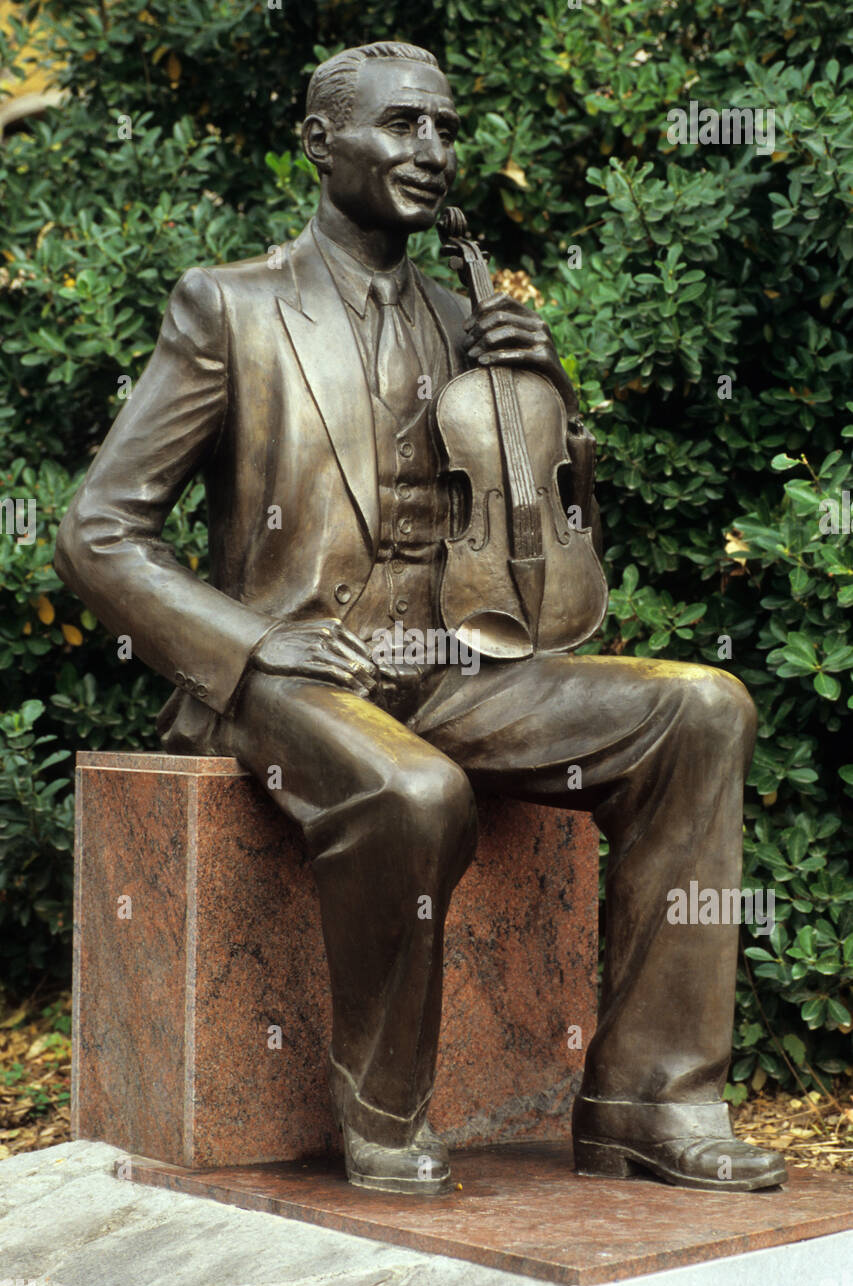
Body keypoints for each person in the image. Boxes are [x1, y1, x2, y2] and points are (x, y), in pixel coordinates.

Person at [54, 41, 786, 1196]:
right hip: (298, 679)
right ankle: (382, 1106)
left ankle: (648, 1099)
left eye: (444, 128)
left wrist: (553, 404)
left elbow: (549, 534)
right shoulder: (232, 308)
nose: (432, 152)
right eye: (401, 126)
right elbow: (97, 527)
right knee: (414, 790)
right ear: (320, 142)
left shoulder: (470, 317)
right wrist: (245, 646)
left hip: (460, 666)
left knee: (704, 707)